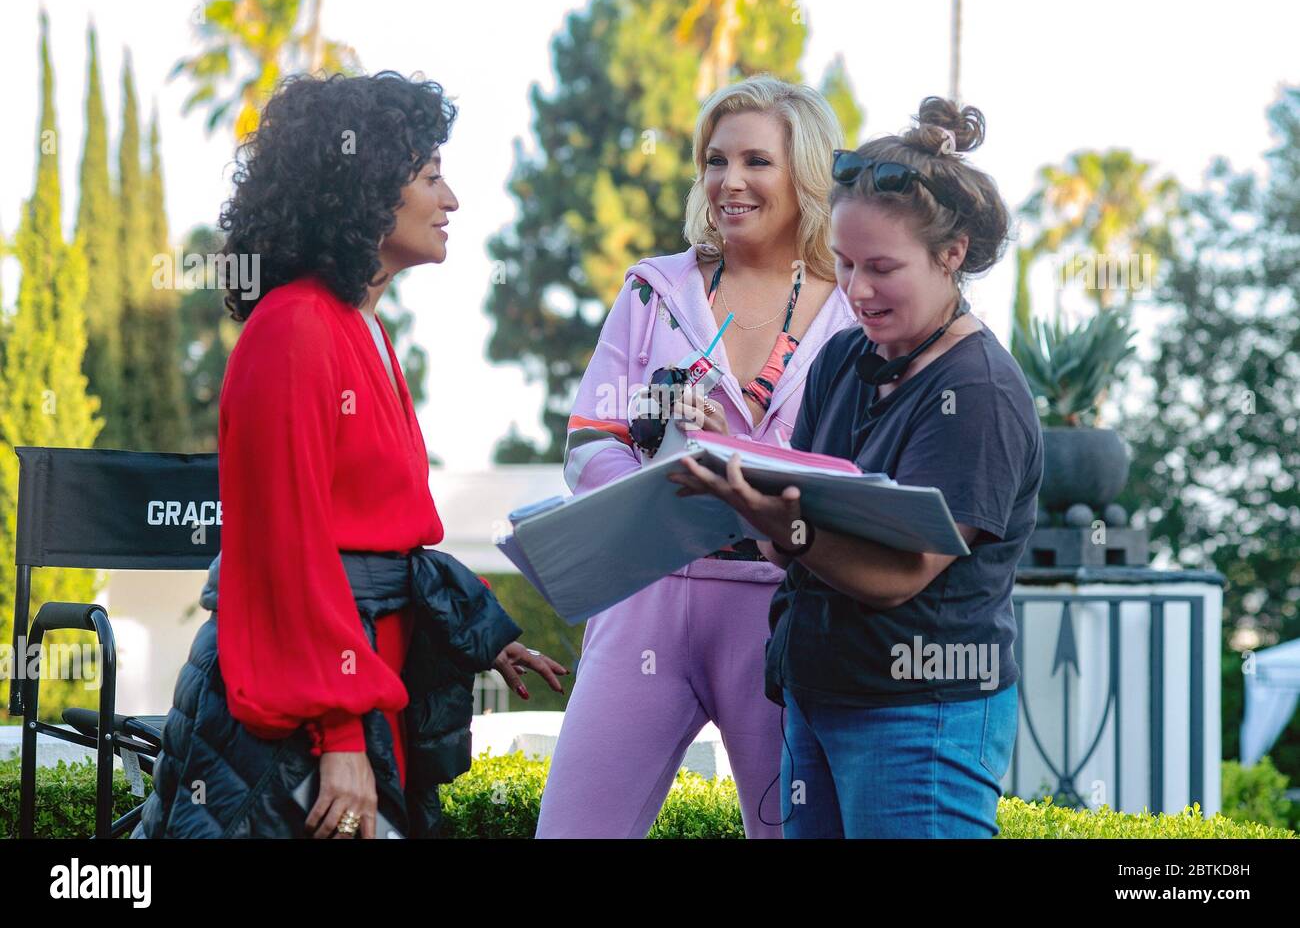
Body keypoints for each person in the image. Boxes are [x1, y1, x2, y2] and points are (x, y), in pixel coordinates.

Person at [134, 71, 566, 839]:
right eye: (431, 177)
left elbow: (387, 537)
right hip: (309, 713)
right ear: (366, 189)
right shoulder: (293, 329)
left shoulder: (359, 325)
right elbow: (287, 550)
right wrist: (338, 736)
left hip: (363, 682)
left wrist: (480, 632)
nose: (452, 200)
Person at [669, 96, 1043, 838]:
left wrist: (789, 528)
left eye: (881, 268)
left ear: (952, 254)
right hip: (822, 694)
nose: (857, 292)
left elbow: (903, 573)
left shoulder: (978, 394)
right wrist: (748, 495)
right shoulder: (847, 356)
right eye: (842, 264)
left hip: (920, 713)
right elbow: (800, 496)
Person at [535, 75, 856, 838]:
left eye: (756, 161)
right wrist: (659, 462)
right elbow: (588, 442)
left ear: (807, 173)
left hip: (780, 604)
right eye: (715, 160)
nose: (729, 182)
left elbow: (854, 474)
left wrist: (732, 456)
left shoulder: (852, 307)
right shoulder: (654, 289)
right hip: (646, 595)